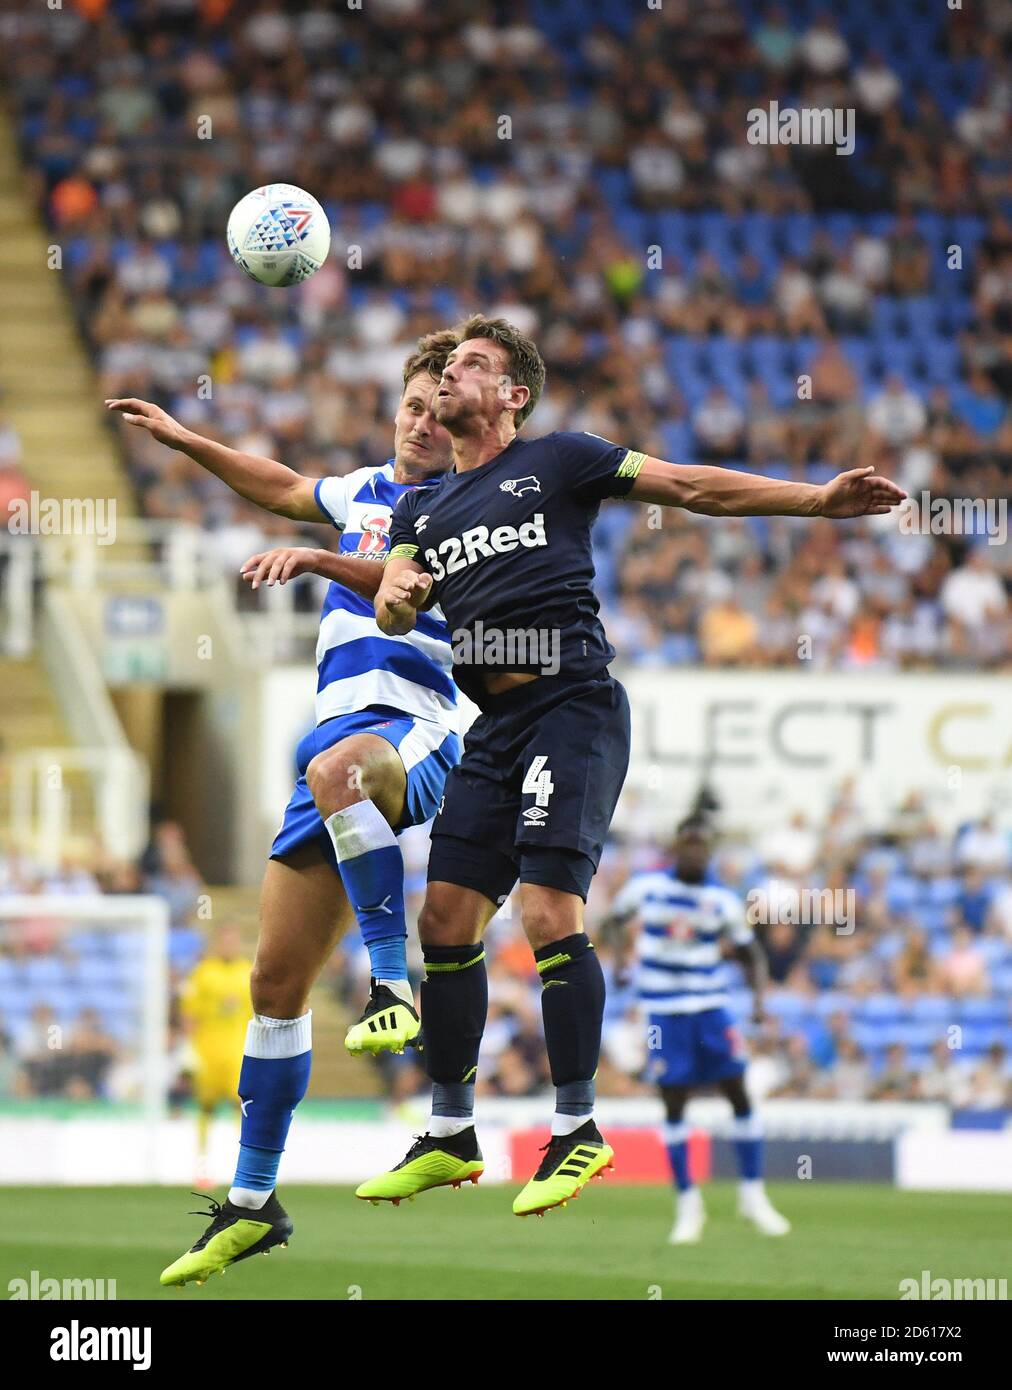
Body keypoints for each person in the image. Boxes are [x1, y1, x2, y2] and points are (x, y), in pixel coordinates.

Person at [365, 314, 905, 1218]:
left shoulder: (561, 460)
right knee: (445, 916)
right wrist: (396, 593)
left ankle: (575, 1128)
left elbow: (692, 486)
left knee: (545, 909)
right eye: (446, 366)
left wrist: (816, 500)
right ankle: (452, 1132)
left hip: (570, 706)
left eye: (472, 365)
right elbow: (392, 601)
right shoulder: (421, 507)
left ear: (513, 396)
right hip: (490, 724)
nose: (450, 377)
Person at [108, 331, 462, 1284]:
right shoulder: (361, 492)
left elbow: (402, 591)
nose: (427, 424)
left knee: (342, 768)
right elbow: (277, 483)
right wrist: (185, 439)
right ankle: (254, 1203)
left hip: (414, 725)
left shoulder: (473, 508)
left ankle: (394, 982)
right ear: (397, 410)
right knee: (273, 987)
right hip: (329, 754)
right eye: (415, 407)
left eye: (444, 410)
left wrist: (314, 560)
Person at [606, 816, 790, 1244]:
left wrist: (760, 1001)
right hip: (664, 1013)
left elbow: (751, 955)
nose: (694, 851)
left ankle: (752, 1194)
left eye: (701, 845)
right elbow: (614, 920)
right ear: (676, 847)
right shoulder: (647, 888)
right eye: (687, 843)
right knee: (674, 1101)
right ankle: (688, 1205)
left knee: (738, 1092)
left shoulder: (722, 900)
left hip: (711, 1007)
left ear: (709, 852)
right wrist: (619, 958)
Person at [179, 922, 252, 1186]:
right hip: (208, 1051)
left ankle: (244, 1171)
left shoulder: (249, 972)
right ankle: (202, 1168)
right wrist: (188, 1050)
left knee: (243, 1108)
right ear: (216, 943)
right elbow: (189, 1013)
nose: (229, 945)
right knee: (205, 1107)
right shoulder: (202, 973)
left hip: (240, 1052)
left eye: (233, 940)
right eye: (224, 940)